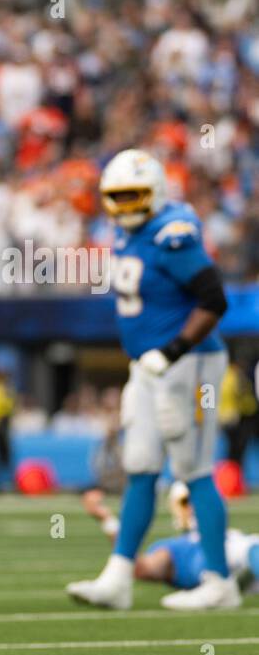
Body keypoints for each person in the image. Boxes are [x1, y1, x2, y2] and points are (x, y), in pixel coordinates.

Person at [66, 149, 234, 612]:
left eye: (133, 196)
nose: (124, 206)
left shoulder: (172, 234)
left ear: (156, 193)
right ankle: (119, 577)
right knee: (139, 465)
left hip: (190, 364)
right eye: (116, 197)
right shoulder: (126, 233)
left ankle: (219, 580)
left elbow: (214, 300)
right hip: (147, 368)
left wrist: (172, 350)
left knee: (194, 469)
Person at [82, 484, 252, 602]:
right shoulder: (177, 547)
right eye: (187, 502)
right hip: (232, 558)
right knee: (248, 550)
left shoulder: (233, 534)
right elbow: (140, 568)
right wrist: (107, 520)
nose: (194, 507)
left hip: (242, 552)